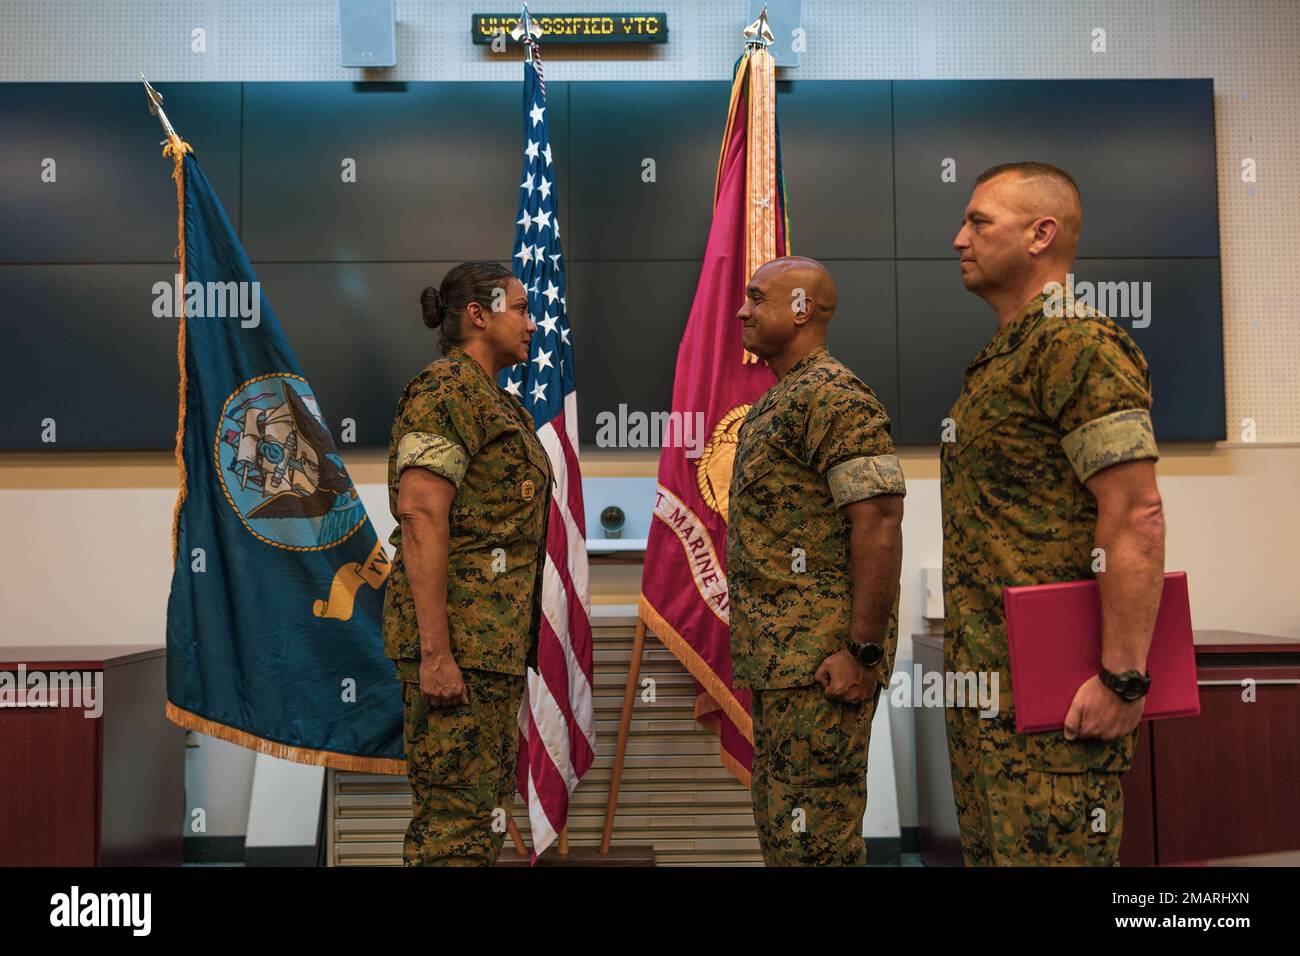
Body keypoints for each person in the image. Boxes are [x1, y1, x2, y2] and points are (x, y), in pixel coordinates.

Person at [944, 162, 1166, 866]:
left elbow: (1136, 513)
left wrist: (1123, 679)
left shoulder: (1078, 342)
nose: (959, 238)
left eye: (979, 222)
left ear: (1041, 234)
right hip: (992, 698)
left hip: (1058, 704)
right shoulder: (1008, 353)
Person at [727, 255, 906, 866]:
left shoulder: (833, 396)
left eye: (757, 298)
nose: (742, 310)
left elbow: (878, 520)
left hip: (825, 668)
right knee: (788, 838)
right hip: (786, 667)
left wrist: (861, 652)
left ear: (801, 309)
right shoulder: (783, 399)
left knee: (816, 847)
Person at [382, 260, 551, 866]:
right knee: (454, 831)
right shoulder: (445, 391)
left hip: (489, 652)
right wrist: (436, 655)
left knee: (475, 824)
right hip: (459, 650)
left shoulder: (493, 401)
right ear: (479, 315)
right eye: (523, 308)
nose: (534, 322)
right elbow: (422, 515)